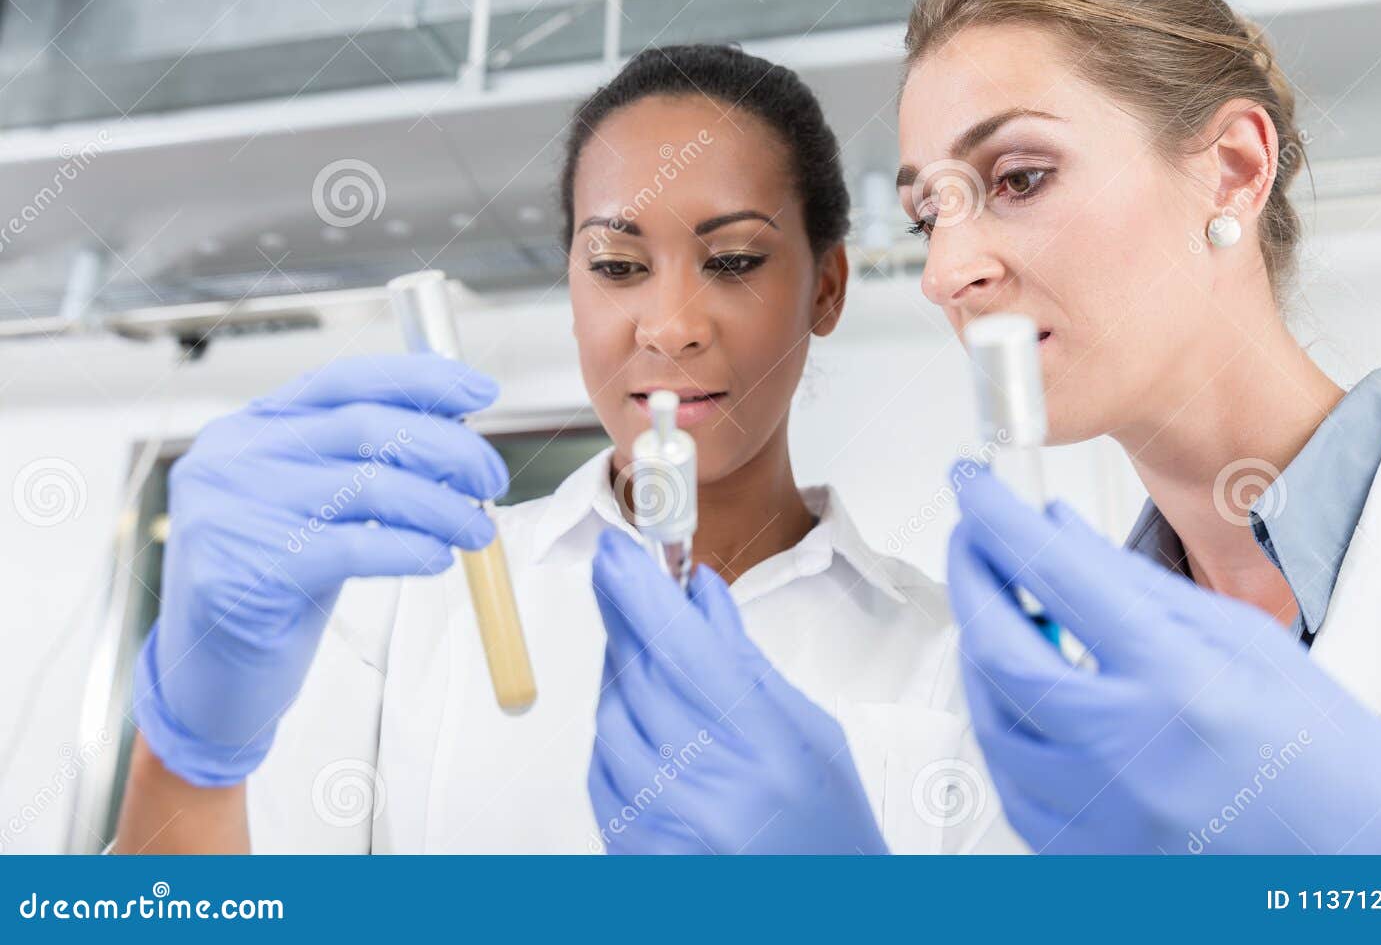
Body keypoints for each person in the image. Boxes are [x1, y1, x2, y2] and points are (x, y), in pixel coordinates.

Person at [588, 0, 1381, 854]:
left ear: (1235, 171)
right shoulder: (1012, 699)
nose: (946, 270)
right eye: (925, 215)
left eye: (1019, 176)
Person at [113, 44, 1016, 855]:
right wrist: (188, 750)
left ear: (825, 288)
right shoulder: (407, 604)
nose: (668, 327)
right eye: (618, 266)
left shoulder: (955, 660)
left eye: (735, 260)